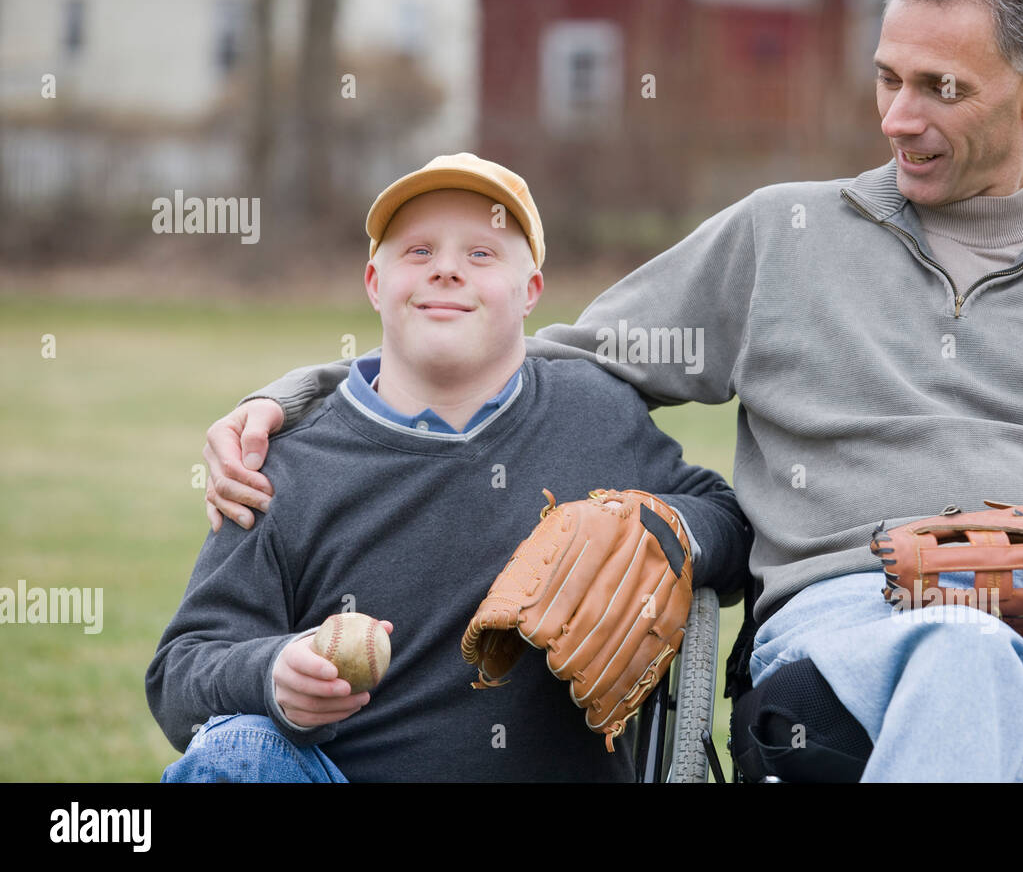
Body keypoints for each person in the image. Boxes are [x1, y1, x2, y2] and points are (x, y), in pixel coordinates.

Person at [203, 0, 1023, 781]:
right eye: (887, 77)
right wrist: (300, 397)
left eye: (941, 89)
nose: (897, 118)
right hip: (859, 624)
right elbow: (560, 362)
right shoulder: (782, 238)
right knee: (965, 662)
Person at [147, 153, 751, 782]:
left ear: (531, 292)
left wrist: (661, 528)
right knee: (238, 752)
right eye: (418, 252)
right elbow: (180, 674)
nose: (446, 271)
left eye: (482, 254)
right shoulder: (286, 463)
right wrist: (272, 674)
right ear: (375, 283)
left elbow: (730, 524)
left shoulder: (593, 413)